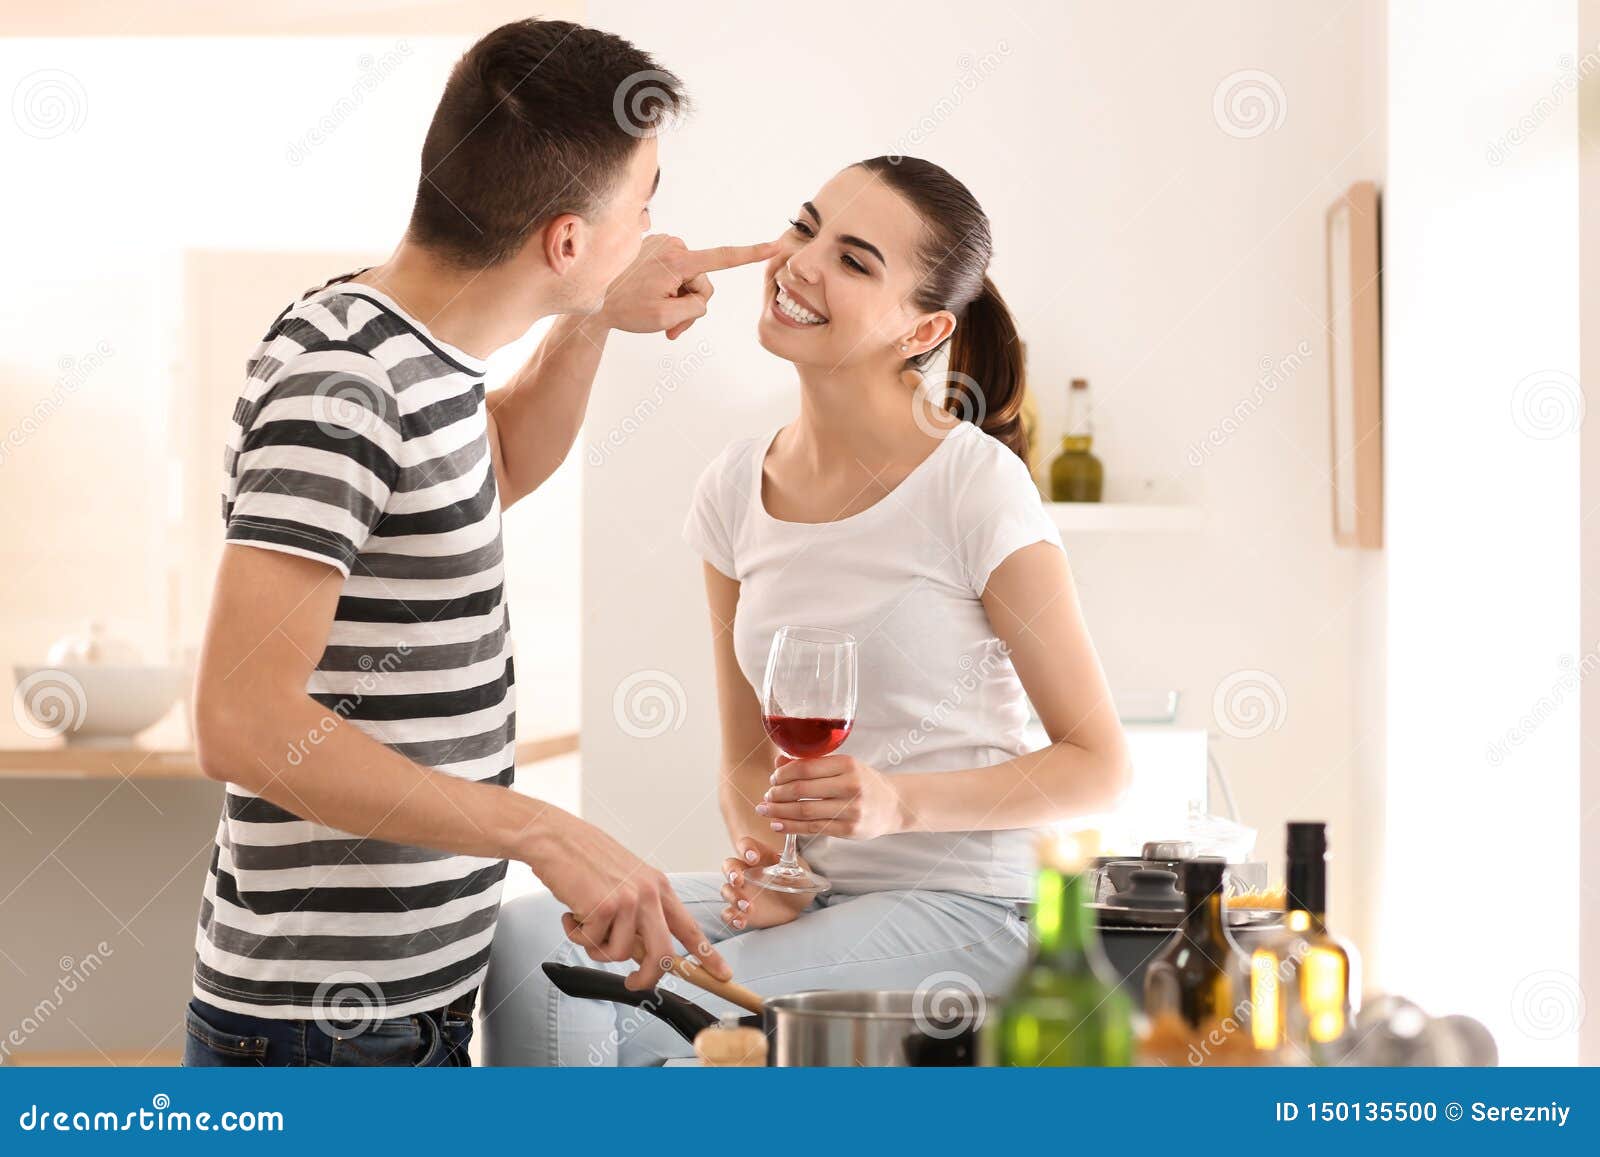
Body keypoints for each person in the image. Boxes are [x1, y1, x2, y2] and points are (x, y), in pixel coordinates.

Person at [181, 18, 777, 1067]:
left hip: (405, 1007)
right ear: (565, 240)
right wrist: (538, 828)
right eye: (643, 203)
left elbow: (489, 466)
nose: (652, 227)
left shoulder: (412, 343)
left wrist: (591, 316)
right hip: (322, 1030)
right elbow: (239, 720)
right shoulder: (342, 383)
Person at [488, 155, 1131, 1066]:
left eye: (855, 260)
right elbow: (748, 757)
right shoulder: (733, 489)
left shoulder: (975, 486)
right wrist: (766, 867)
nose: (802, 263)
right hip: (823, 896)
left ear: (925, 329)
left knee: (653, 1019)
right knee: (527, 945)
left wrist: (899, 803)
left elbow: (1100, 764)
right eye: (806, 226)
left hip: (974, 906)